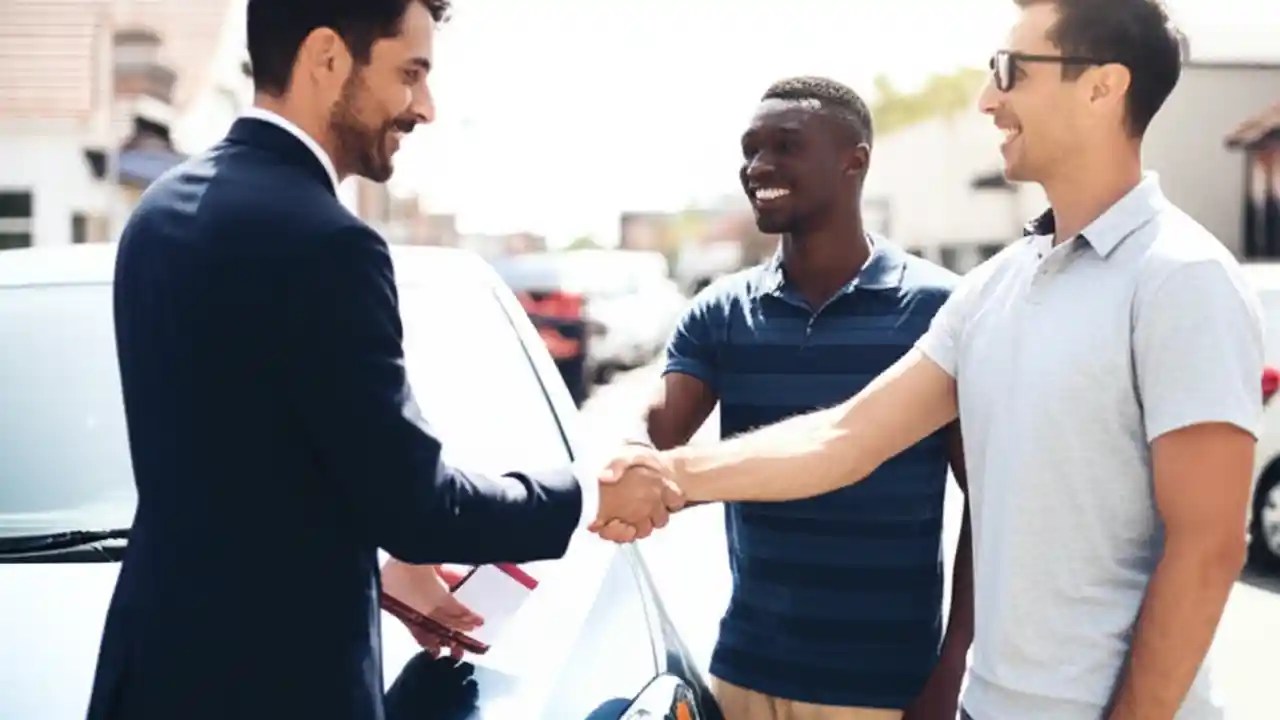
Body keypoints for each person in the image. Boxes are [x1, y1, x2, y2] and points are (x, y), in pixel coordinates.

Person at [594, 1, 1263, 719]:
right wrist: (667, 471)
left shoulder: (1181, 275)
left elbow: (1208, 546)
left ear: (1102, 87)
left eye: (1010, 72)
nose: (988, 100)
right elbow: (843, 439)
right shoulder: (994, 288)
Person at [86, 2, 676, 719]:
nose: (425, 108)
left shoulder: (157, 213)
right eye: (410, 73)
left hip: (149, 675)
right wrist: (594, 493)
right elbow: (421, 509)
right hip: (282, 691)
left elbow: (241, 466)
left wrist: (370, 561)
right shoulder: (329, 244)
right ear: (328, 57)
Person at [639, 76, 972, 720]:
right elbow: (657, 434)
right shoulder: (720, 312)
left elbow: (988, 510)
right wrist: (621, 453)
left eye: (785, 146)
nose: (759, 166)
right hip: (743, 676)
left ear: (855, 158)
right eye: (750, 149)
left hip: (882, 688)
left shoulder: (942, 309)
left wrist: (951, 671)